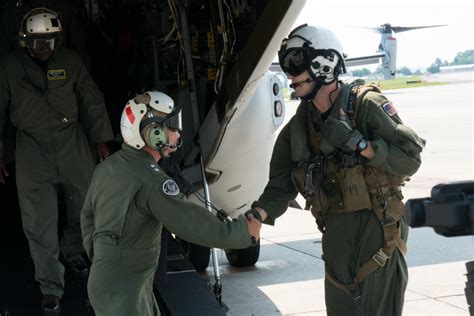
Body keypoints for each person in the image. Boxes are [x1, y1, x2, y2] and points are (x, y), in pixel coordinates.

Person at [246, 24, 426, 315]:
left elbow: (410, 158)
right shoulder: (299, 128)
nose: (290, 74)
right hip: (336, 235)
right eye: (286, 64)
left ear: (323, 63)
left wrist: (362, 146)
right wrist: (259, 214)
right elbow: (281, 184)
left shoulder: (366, 105)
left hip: (378, 228)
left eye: (295, 63)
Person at [80, 90, 261, 316]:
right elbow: (189, 221)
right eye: (171, 126)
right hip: (126, 290)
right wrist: (242, 233)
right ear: (152, 132)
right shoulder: (150, 179)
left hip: (112, 282)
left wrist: (105, 259)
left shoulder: (108, 166)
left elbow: (87, 219)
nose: (177, 133)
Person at [0, 7, 113, 315]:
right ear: (25, 40)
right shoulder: (9, 68)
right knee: (38, 222)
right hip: (31, 148)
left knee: (85, 206)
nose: (44, 50)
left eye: (50, 42)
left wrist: (100, 140)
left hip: (71, 143)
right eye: (38, 43)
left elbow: (91, 100)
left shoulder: (71, 62)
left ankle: (74, 249)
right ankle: (50, 286)